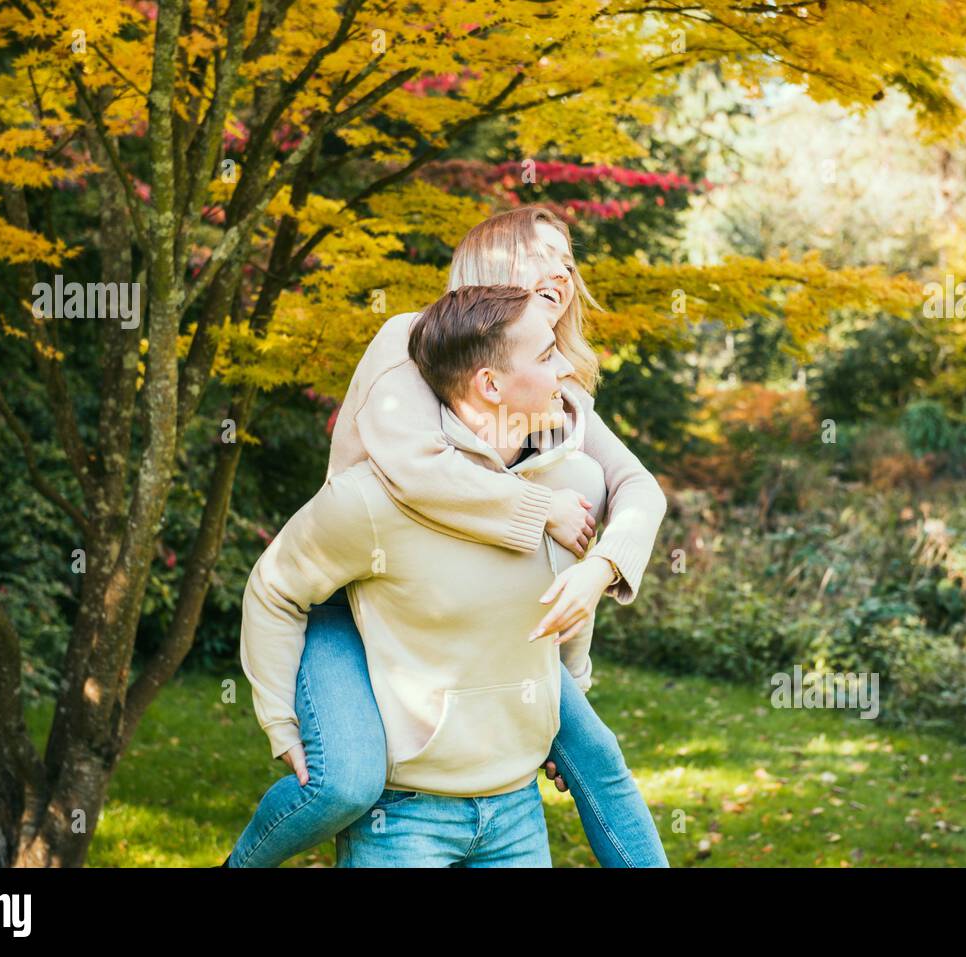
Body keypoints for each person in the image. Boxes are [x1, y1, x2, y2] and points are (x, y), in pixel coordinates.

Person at [226, 206, 668, 867]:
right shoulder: (414, 344)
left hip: (463, 603)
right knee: (347, 779)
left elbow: (635, 487)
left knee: (596, 755)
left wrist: (600, 567)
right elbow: (416, 472)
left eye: (569, 256)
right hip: (351, 592)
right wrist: (540, 507)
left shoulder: (546, 379)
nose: (564, 268)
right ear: (492, 268)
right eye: (541, 253)